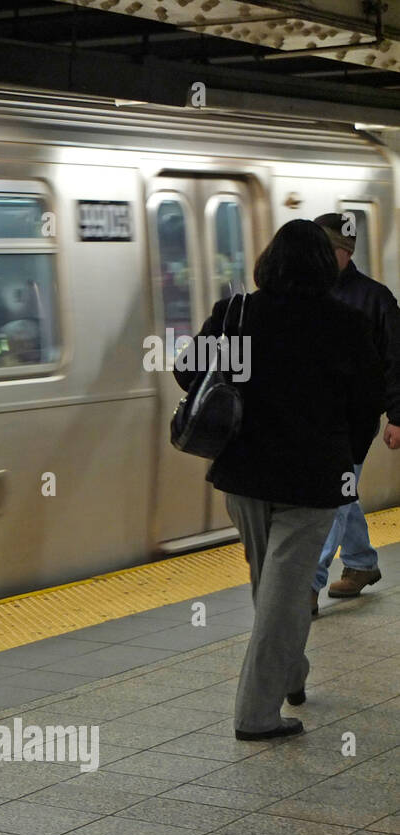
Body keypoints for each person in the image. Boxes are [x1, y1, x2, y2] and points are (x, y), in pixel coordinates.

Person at [175, 219, 383, 741]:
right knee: (283, 594)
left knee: (271, 586)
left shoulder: (237, 314)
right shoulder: (346, 324)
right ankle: (256, 715)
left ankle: (290, 675)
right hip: (312, 482)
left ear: (269, 261)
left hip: (243, 475)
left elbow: (186, 371)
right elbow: (364, 409)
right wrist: (346, 459)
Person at [309, 212, 400, 614]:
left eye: (334, 250)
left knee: (334, 495)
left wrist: (398, 415)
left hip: (355, 418)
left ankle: (306, 585)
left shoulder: (375, 298)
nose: (328, 258)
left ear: (348, 253)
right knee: (343, 494)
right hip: (315, 416)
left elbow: (397, 359)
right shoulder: (305, 294)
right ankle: (362, 563)